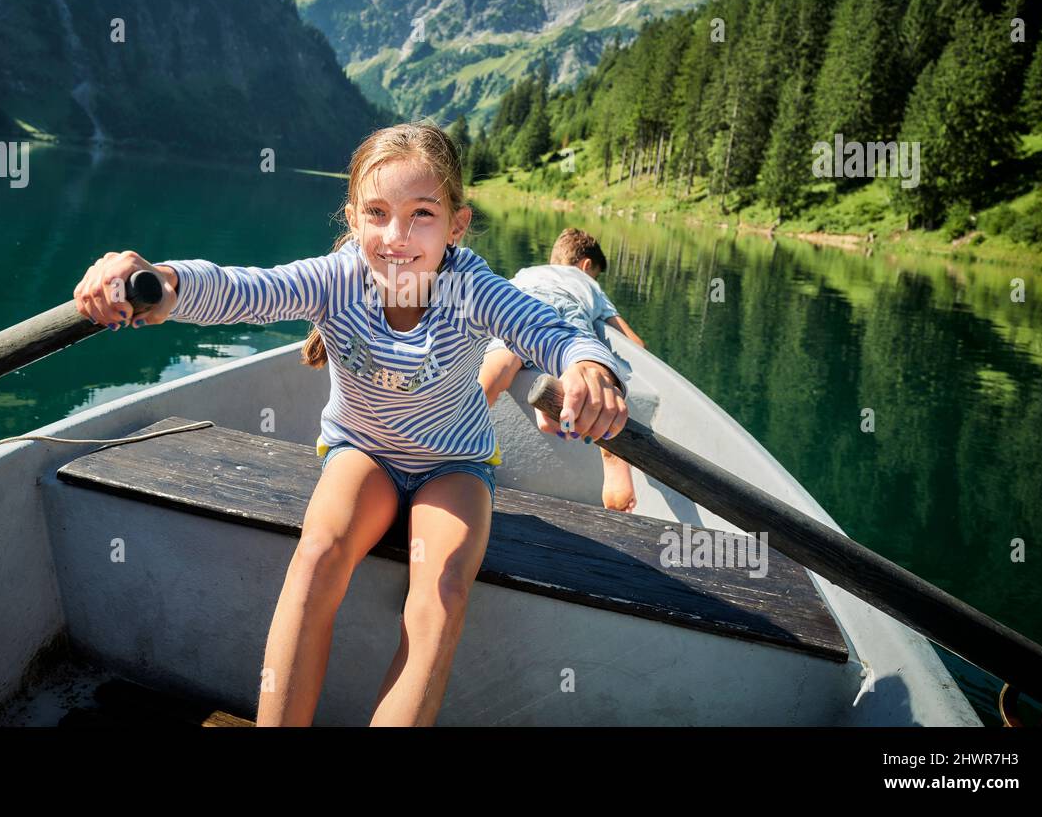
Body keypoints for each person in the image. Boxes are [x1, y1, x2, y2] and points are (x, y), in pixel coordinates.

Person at [71, 121, 629, 727]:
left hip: (452, 465)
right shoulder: (336, 278)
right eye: (378, 213)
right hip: (363, 452)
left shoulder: (472, 287)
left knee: (440, 593)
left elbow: (546, 328)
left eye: (421, 214)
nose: (396, 237)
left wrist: (589, 362)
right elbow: (242, 290)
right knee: (316, 559)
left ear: (456, 225)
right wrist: (165, 281)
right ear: (354, 217)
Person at [478, 227, 645, 513]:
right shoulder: (587, 283)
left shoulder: (528, 271)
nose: (594, 279)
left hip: (519, 304)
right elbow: (635, 344)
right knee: (593, 378)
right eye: (596, 275)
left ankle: (463, 426)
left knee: (498, 366)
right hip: (565, 311)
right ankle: (613, 454)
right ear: (586, 265)